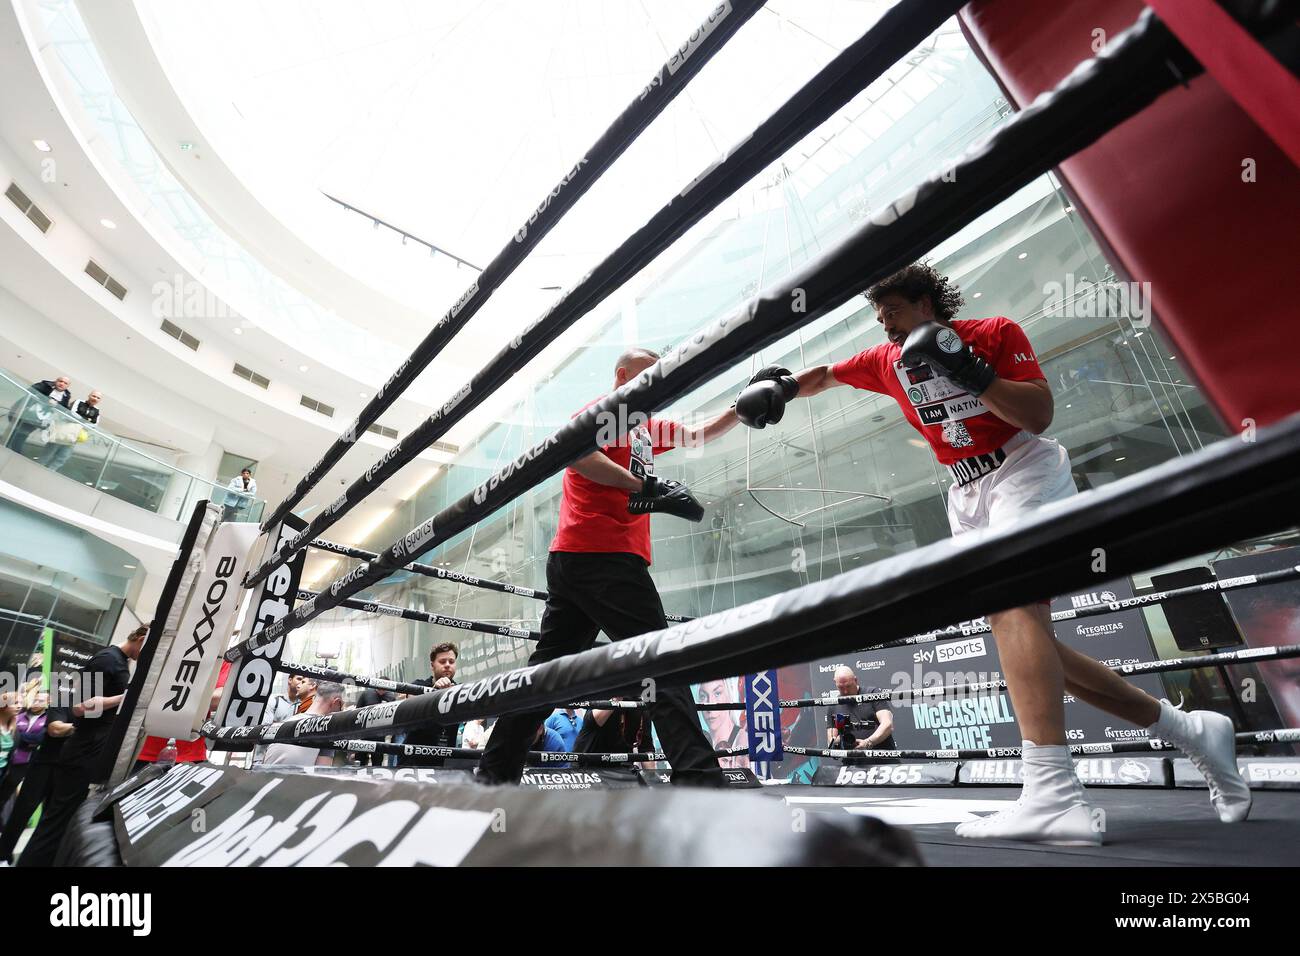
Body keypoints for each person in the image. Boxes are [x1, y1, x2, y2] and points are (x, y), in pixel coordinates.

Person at [736, 261, 1251, 844]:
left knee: (1013, 607)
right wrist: (782, 387)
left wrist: (968, 370)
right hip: (965, 493)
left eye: (894, 313)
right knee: (1028, 637)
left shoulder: (994, 334)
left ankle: (1054, 794)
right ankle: (1193, 732)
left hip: (1024, 469)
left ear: (927, 305)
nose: (885, 327)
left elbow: (1038, 415)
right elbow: (826, 374)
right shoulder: (886, 363)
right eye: (879, 318)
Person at [479, 347, 744, 788]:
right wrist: (644, 486)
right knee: (662, 658)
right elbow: (574, 451)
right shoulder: (604, 413)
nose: (657, 386)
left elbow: (695, 434)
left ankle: (494, 772)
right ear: (622, 377)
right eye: (648, 377)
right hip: (602, 557)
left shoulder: (642, 426)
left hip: (578, 560)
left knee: (547, 673)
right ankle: (699, 778)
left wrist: (743, 406)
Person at [17, 626, 146, 866]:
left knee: (63, 823)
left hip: (89, 751)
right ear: (139, 639)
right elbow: (79, 707)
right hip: (82, 752)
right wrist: (126, 698)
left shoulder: (119, 661)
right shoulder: (108, 660)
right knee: (55, 824)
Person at [0, 678, 74, 864]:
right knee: (20, 811)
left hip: (58, 767)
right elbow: (50, 731)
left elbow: (36, 737)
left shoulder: (46, 714)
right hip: (36, 764)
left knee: (49, 818)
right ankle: (3, 855)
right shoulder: (60, 704)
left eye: (41, 700)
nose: (36, 702)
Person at [396, 643, 461, 768]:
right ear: (432, 665)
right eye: (442, 661)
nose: (447, 664)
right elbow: (410, 704)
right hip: (414, 760)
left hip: (444, 761)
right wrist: (434, 691)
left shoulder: (460, 689)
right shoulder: (419, 685)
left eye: (451, 661)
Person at [262, 682, 344, 767]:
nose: (342, 710)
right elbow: (323, 773)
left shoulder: (286, 721)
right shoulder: (326, 730)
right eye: (342, 705)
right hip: (292, 779)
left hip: (263, 777)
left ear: (314, 699)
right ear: (337, 702)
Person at [824, 666, 896, 758]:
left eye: (848, 686)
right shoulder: (834, 705)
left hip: (882, 761)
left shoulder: (872, 693)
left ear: (855, 680)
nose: (845, 691)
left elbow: (888, 724)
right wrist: (842, 741)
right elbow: (831, 741)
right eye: (841, 687)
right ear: (835, 683)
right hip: (852, 765)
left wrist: (868, 742)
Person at [0, 691, 49, 825]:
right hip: (8, 762)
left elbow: (39, 739)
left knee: (4, 797)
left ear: (48, 703)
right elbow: (17, 738)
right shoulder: (18, 716)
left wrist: (21, 737)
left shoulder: (47, 720)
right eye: (35, 699)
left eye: (40, 700)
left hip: (21, 764)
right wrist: (23, 739)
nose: (36, 702)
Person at [38, 389, 101, 473]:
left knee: (63, 456)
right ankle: (38, 467)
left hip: (74, 437)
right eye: (93, 396)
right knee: (49, 452)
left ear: (99, 400)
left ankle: (51, 471)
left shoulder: (97, 411)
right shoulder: (79, 402)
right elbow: (72, 414)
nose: (95, 398)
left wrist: (81, 419)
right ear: (89, 396)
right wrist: (86, 419)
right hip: (64, 431)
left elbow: (94, 425)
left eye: (98, 398)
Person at [5, 376, 71, 455]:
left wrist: (56, 405)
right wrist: (46, 399)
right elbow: (31, 390)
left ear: (67, 386)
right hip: (26, 411)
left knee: (23, 433)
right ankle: (12, 450)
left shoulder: (66, 395)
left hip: (40, 418)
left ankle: (13, 451)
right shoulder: (46, 385)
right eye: (60, 381)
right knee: (16, 431)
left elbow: (63, 409)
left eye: (65, 383)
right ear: (56, 381)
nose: (62, 384)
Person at [354, 684, 395, 767]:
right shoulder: (366, 694)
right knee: (360, 760)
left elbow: (394, 714)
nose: (381, 691)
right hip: (364, 734)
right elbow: (357, 712)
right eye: (380, 689)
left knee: (377, 762)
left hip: (379, 735)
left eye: (384, 689)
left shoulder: (391, 698)